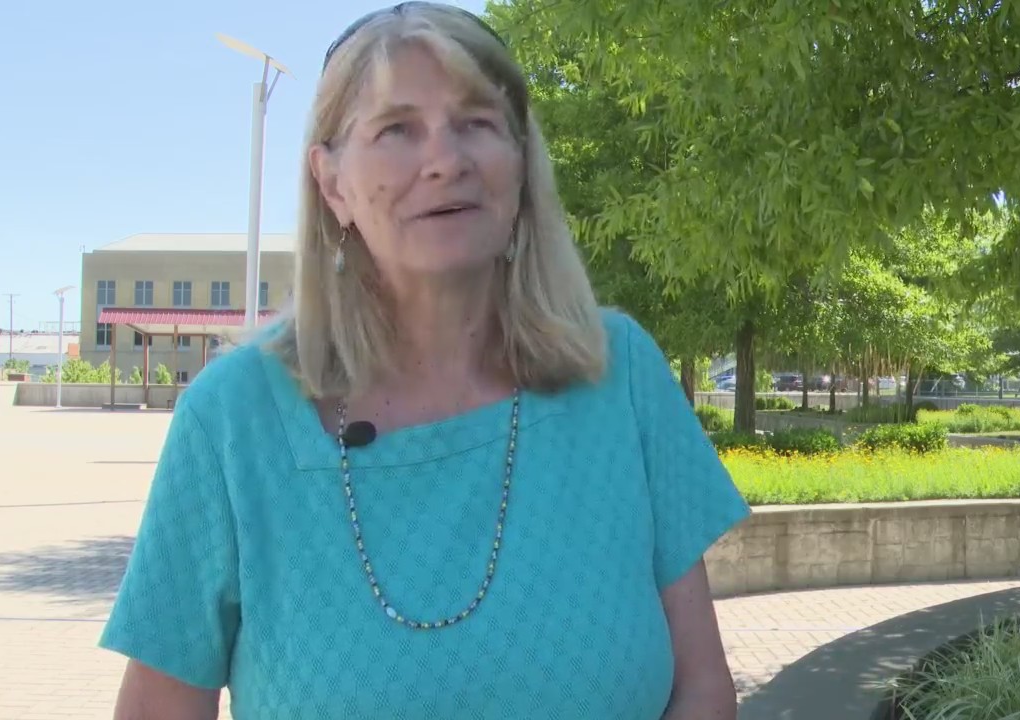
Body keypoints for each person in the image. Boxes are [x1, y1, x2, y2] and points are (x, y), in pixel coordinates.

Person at [99, 3, 751, 718]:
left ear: (522, 162)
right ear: (332, 182)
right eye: (397, 129)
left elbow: (702, 687)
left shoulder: (618, 372)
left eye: (476, 122)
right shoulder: (232, 417)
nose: (446, 161)